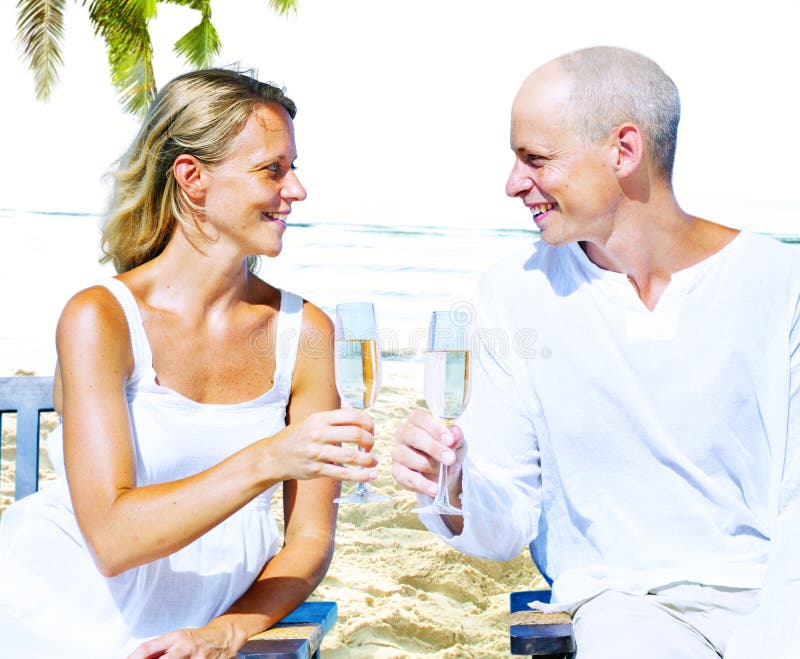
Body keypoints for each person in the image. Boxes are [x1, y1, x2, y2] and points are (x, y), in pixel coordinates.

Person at [392, 46, 800, 658]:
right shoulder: (511, 294)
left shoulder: (779, 281)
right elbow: (505, 523)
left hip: (777, 593)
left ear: (624, 151)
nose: (512, 183)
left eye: (535, 159)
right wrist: (449, 485)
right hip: (625, 608)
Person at [0, 68, 378, 658]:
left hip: (202, 631)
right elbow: (112, 541)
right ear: (192, 178)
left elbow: (309, 539)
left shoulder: (304, 332)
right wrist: (268, 458)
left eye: (294, 167)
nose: (297, 189)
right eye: (273, 170)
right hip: (59, 614)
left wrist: (227, 629)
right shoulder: (100, 319)